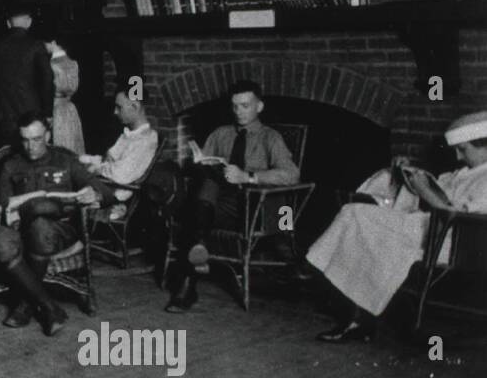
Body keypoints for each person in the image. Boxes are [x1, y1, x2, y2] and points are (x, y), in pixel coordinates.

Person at [309, 112, 487, 343]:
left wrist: (425, 192)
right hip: (424, 228)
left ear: (484, 146)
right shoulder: (463, 173)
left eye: (463, 149)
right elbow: (438, 194)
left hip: (451, 241)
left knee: (355, 217)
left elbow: (457, 216)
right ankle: (359, 317)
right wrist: (410, 178)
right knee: (356, 219)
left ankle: (358, 318)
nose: (457, 155)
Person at [165, 79, 300, 312]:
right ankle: (194, 262)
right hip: (212, 205)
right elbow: (202, 163)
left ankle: (190, 281)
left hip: (250, 208)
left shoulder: (271, 137)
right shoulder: (221, 134)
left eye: (245, 106)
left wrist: (248, 177)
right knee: (207, 183)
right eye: (235, 106)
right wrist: (201, 164)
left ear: (259, 107)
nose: (239, 112)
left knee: (200, 202)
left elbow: (291, 174)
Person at [0, 112, 99, 334]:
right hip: (21, 227)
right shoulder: (11, 165)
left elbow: (97, 186)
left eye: (37, 139)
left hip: (60, 229)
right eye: (25, 140)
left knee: (41, 227)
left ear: (47, 135)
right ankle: (49, 307)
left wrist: (93, 193)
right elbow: (3, 203)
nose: (31, 146)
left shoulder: (65, 160)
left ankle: (25, 305)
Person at [0, 4, 53, 143]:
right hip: (30, 111)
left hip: (1, 112)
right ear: (29, 22)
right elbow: (47, 79)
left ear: (8, 24)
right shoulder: (36, 46)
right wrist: (48, 112)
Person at [82, 90, 159, 217]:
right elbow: (109, 159)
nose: (115, 112)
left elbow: (120, 175)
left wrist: (97, 169)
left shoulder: (145, 141)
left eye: (119, 107)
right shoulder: (130, 135)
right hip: (106, 186)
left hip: (115, 195)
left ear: (134, 107)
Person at [45, 39, 85, 155]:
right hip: (69, 109)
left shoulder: (51, 65)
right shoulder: (73, 63)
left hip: (54, 110)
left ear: (53, 42)